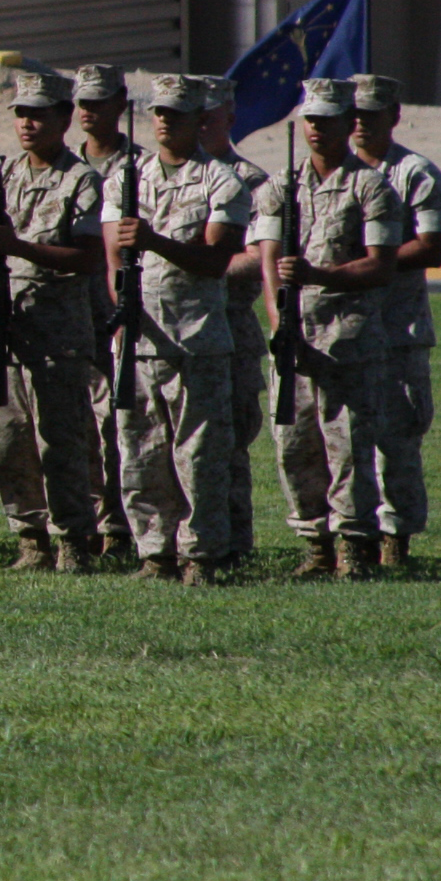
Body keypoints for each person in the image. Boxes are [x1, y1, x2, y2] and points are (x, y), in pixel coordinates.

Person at [108, 74, 249, 583]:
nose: (164, 120)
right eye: (159, 112)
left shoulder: (222, 182)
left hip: (197, 336)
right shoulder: (127, 178)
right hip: (141, 336)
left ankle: (201, 554)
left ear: (200, 120)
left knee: (199, 453)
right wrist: (119, 309)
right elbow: (112, 255)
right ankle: (155, 552)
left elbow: (215, 259)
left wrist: (154, 241)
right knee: (140, 451)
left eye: (176, 113)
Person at [257, 77, 398, 579]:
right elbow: (269, 258)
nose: (316, 128)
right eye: (310, 119)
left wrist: (320, 277)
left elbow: (381, 266)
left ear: (347, 122)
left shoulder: (371, 186)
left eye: (327, 119)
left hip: (348, 340)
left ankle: (354, 547)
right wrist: (279, 321)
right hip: (294, 339)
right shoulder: (281, 185)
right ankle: (314, 544)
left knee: (348, 447)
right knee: (294, 446)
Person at [0, 68, 107, 572]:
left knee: (62, 440)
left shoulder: (81, 180)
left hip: (59, 331)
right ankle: (29, 537)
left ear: (64, 118)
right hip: (7, 326)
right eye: (21, 114)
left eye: (39, 114)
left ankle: (73, 538)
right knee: (6, 443)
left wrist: (20, 248)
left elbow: (88, 257)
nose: (28, 124)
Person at [348, 74, 441, 571]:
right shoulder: (334, 174)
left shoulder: (414, 173)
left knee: (397, 437)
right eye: (356, 113)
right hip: (342, 328)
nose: (362, 122)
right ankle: (350, 534)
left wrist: (370, 259)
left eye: (372, 113)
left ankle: (396, 537)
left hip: (396, 326)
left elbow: (432, 247)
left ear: (394, 114)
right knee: (344, 438)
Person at [197, 75, 273, 558]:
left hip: (228, 324)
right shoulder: (161, 175)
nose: (200, 121)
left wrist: (197, 268)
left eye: (210, 112)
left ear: (229, 117)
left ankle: (234, 542)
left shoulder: (252, 181)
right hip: (175, 328)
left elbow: (258, 256)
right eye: (192, 112)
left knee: (229, 439)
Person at [72, 63, 143, 560]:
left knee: (119, 421)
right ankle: (85, 520)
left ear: (121, 105)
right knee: (71, 427)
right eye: (82, 102)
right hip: (64, 316)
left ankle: (120, 524)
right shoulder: (63, 165)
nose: (88, 112)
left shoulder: (139, 168)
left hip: (118, 313)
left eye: (99, 101)